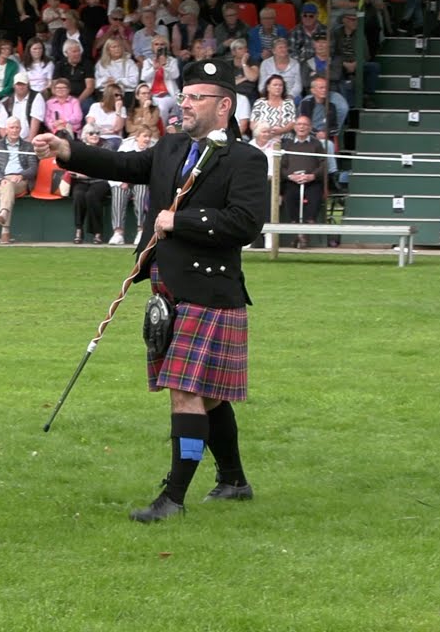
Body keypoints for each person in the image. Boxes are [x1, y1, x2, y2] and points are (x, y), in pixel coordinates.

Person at [33, 58, 267, 523]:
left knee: (186, 391)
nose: (185, 105)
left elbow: (246, 224)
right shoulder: (172, 146)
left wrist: (179, 220)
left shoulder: (246, 159)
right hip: (167, 285)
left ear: (223, 107)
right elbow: (124, 163)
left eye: (196, 98)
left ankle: (173, 499)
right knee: (209, 394)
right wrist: (67, 149)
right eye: (184, 96)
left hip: (209, 288)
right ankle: (234, 480)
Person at [279, 115, 327, 248]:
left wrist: (312, 176)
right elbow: (281, 167)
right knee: (290, 198)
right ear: (294, 127)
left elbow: (323, 164)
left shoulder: (316, 144)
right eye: (299, 124)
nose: (302, 127)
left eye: (305, 125)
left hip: (311, 182)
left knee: (314, 198)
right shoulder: (287, 145)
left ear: (310, 128)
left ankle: (305, 234)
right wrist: (290, 176)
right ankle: (297, 234)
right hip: (292, 182)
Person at [0, 116, 35, 244]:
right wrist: (1, 179)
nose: (14, 130)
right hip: (1, 181)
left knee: (9, 186)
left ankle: (3, 217)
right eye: (12, 127)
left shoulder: (28, 146)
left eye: (17, 127)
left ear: (21, 129)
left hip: (20, 181)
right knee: (7, 186)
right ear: (6, 129)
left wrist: (21, 175)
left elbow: (34, 168)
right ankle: (5, 231)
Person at [68, 124, 112, 244]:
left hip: (101, 180)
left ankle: (97, 233)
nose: (95, 136)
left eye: (97, 133)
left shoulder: (106, 147)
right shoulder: (79, 148)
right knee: (78, 195)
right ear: (85, 135)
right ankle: (78, 229)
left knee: (92, 195)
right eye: (91, 133)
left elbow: (105, 169)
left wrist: (85, 174)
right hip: (81, 181)